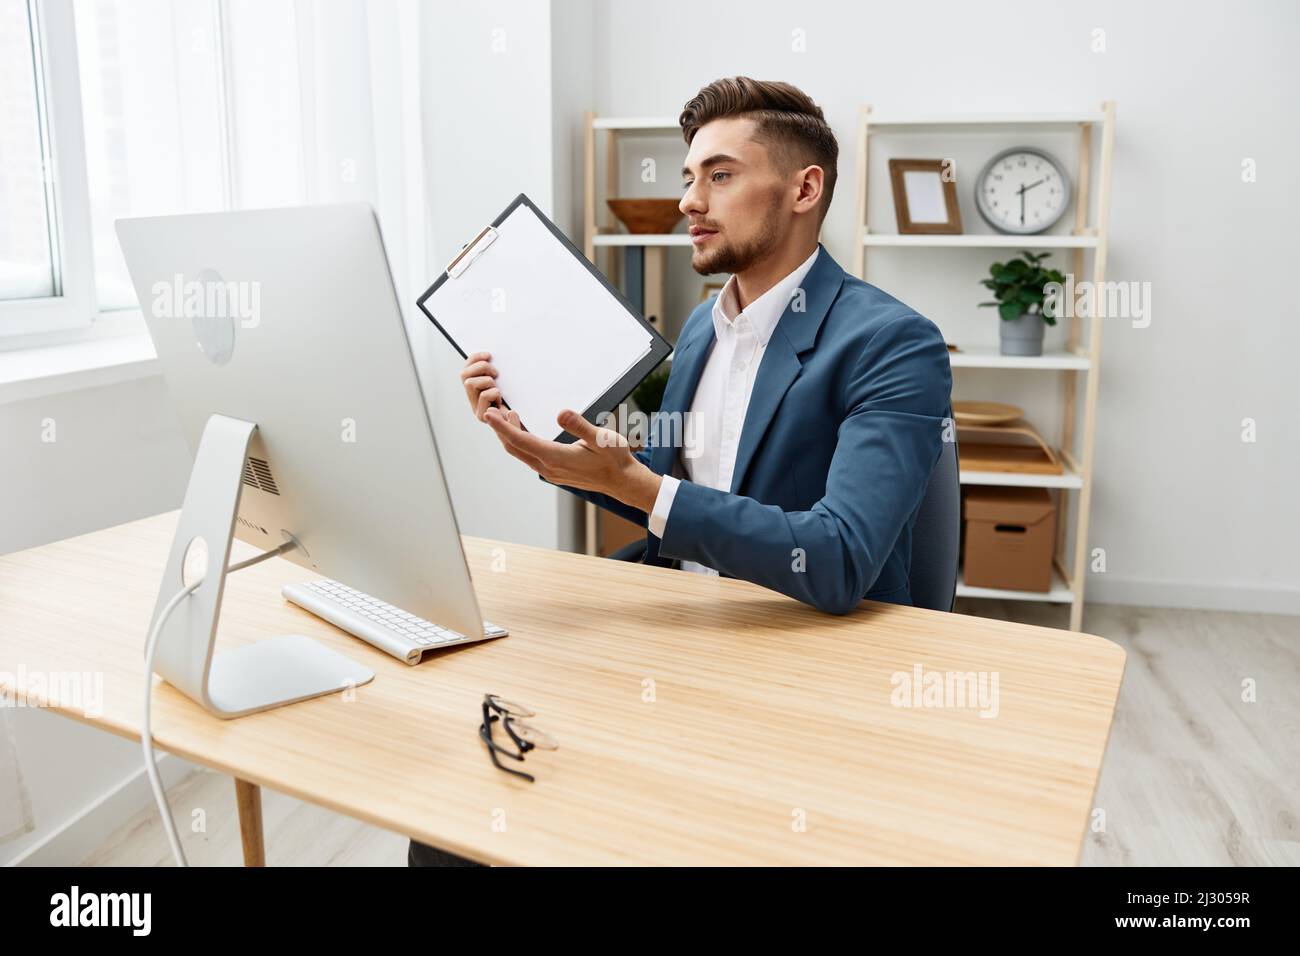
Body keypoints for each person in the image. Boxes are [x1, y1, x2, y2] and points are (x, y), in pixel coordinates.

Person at [409, 76, 951, 867]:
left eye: (720, 175)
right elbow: (658, 493)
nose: (689, 201)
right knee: (456, 812)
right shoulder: (703, 325)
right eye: (688, 177)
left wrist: (637, 487)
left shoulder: (893, 342)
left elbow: (836, 559)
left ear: (805, 188)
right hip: (685, 622)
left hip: (806, 653)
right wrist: (548, 448)